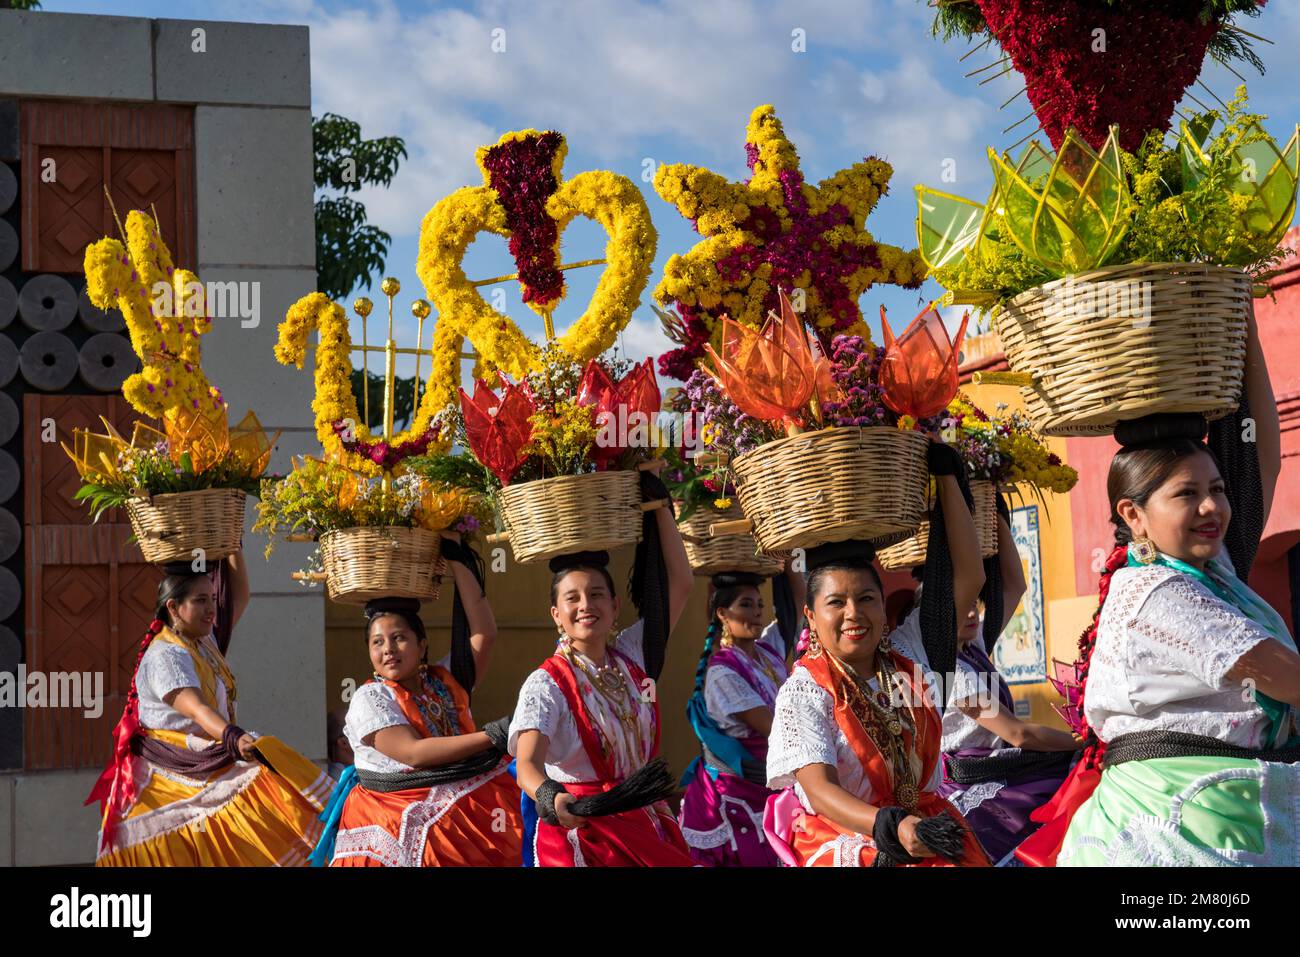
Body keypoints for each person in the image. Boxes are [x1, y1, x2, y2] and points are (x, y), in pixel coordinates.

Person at [1037, 305, 1300, 866]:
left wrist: (1240, 328)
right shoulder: (1155, 592)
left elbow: (1262, 464)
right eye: (1186, 495)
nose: (1212, 507)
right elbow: (1286, 678)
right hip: (1169, 840)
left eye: (1218, 488)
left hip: (1222, 822)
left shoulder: (1213, 573)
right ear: (1133, 514)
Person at [763, 442, 991, 867]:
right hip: (854, 842)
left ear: (883, 604)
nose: (854, 614)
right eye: (836, 603)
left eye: (866, 598)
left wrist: (946, 479)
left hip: (927, 830)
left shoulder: (909, 653)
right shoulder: (804, 692)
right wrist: (891, 826)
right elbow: (820, 791)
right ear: (811, 616)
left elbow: (970, 575)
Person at [90, 551, 333, 866]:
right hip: (167, 781)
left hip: (204, 762)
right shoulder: (166, 654)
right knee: (260, 782)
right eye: (201, 601)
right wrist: (233, 736)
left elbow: (240, 595)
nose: (211, 609)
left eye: (212, 599)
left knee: (266, 780)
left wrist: (234, 546)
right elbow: (195, 709)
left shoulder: (202, 642)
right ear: (174, 607)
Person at [510, 473, 697, 866]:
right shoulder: (546, 683)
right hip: (586, 832)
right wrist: (548, 795)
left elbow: (680, 582)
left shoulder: (632, 656)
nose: (585, 605)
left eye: (596, 594)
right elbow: (527, 762)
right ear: (556, 615)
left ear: (613, 605)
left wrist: (660, 508)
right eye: (572, 598)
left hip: (643, 820)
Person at [320, 536, 523, 866]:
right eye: (377, 642)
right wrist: (492, 736)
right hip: (395, 808)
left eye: (399, 638)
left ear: (422, 645)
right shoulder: (370, 698)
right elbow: (414, 754)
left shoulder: (443, 680)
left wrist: (459, 562)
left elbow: (484, 633)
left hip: (454, 794)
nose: (388, 649)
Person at [935, 513, 1078, 865]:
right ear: (934, 615)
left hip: (1003, 770)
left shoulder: (972, 647)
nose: (972, 612)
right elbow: (1017, 733)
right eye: (961, 605)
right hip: (972, 788)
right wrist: (1086, 741)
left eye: (974, 603)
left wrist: (994, 509)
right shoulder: (951, 676)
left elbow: (1015, 585)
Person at [678, 564, 804, 866]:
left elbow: (799, 603)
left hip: (768, 785)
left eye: (760, 605)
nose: (757, 613)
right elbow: (773, 729)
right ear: (723, 614)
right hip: (734, 795)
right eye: (746, 605)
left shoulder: (766, 652)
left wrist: (788, 560)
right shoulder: (723, 672)